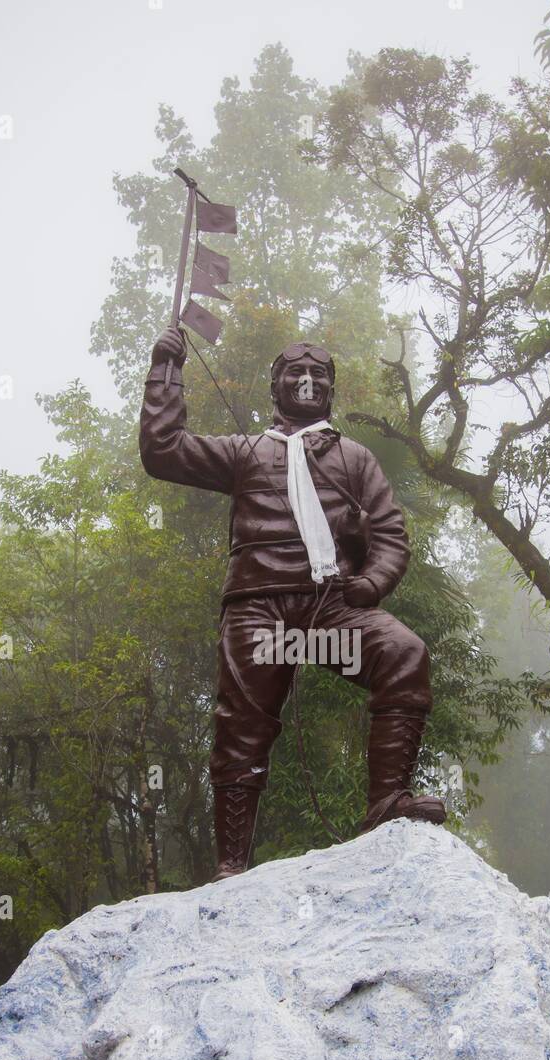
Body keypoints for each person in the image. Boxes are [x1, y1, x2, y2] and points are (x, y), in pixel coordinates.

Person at [140, 328, 445, 880]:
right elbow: (164, 451)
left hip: (329, 611)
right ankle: (232, 864)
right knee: (242, 725)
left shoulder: (355, 459)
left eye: (319, 376)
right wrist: (166, 368)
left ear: (331, 390)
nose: (307, 382)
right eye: (295, 375)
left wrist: (372, 584)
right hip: (258, 610)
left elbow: (391, 535)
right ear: (275, 386)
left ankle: (386, 804)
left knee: (403, 653)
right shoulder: (244, 453)